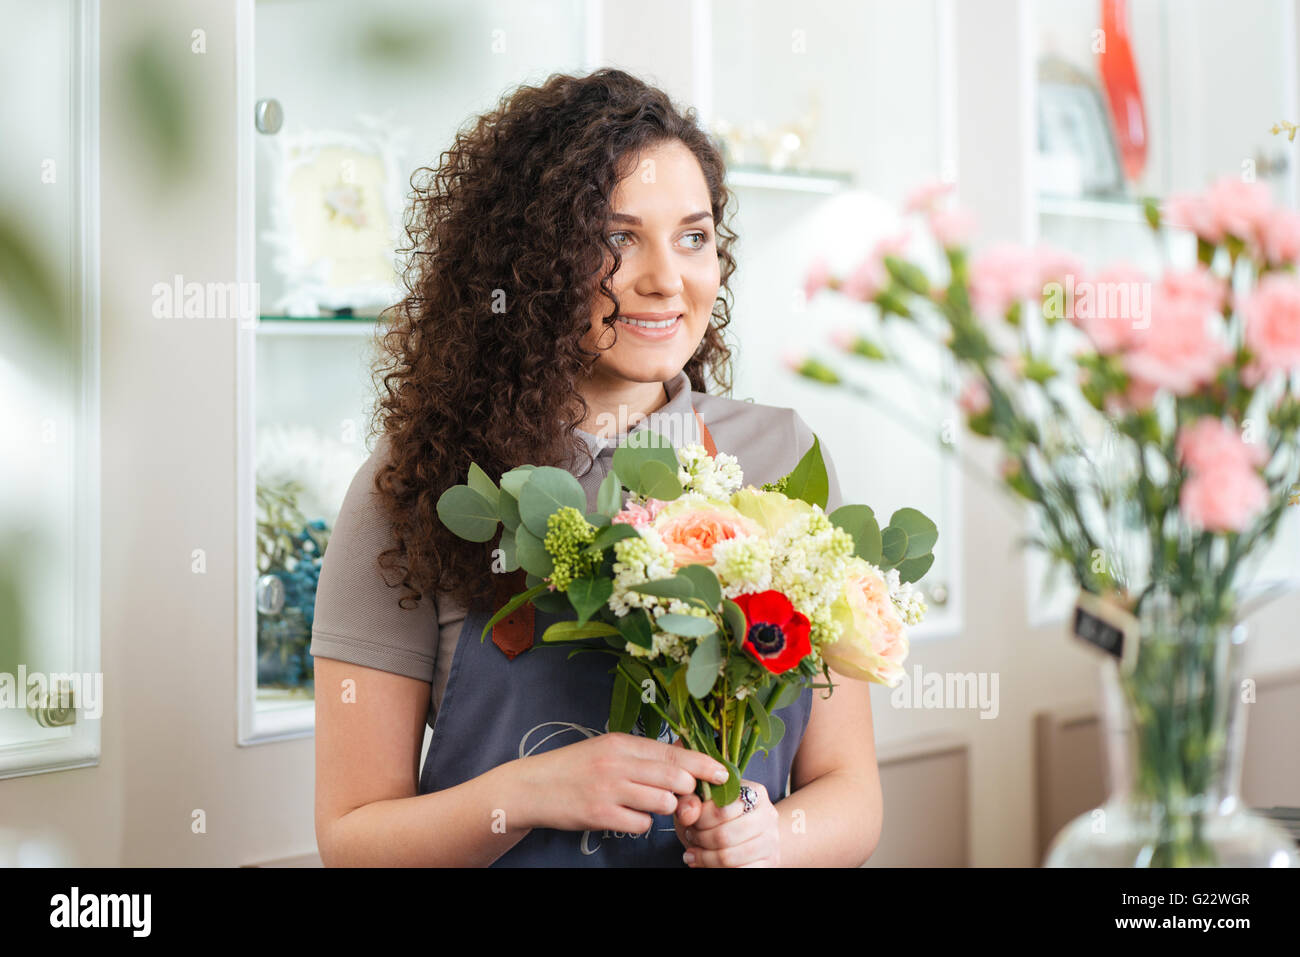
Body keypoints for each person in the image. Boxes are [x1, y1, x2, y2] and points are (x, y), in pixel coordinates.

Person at [310, 68, 883, 867]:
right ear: (532, 259)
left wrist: (772, 840)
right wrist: (532, 791)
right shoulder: (420, 485)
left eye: (693, 235)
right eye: (616, 238)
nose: (665, 278)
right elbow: (352, 836)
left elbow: (850, 790)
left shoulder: (784, 458)